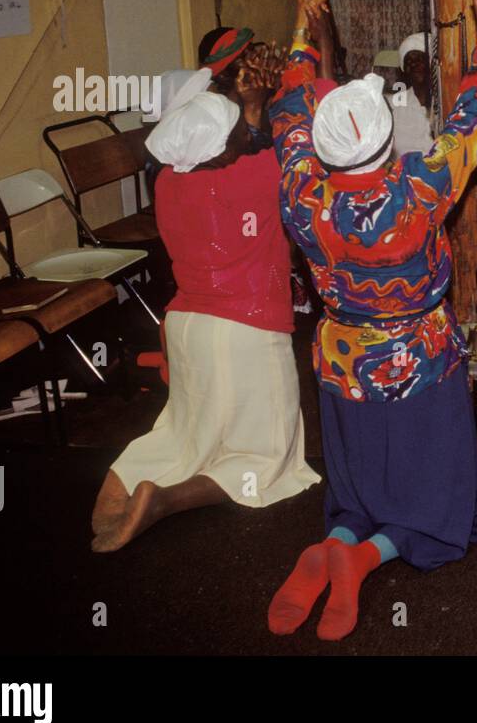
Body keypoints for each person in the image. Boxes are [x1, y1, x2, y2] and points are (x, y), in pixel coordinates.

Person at [266, 0, 477, 642]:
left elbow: (289, 107)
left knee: (357, 480)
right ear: (387, 143)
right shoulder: (419, 188)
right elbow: (476, 112)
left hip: (341, 360)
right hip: (418, 359)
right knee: (434, 486)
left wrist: (304, 36)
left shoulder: (300, 192)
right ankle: (364, 556)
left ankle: (339, 538)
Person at [90, 85, 320, 553]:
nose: (247, 137)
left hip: (186, 327)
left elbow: (247, 145)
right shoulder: (257, 175)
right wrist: (316, 42)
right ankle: (166, 501)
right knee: (266, 453)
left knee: (185, 430)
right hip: (245, 330)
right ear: (222, 145)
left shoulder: (169, 183)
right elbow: (304, 137)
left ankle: (126, 475)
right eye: (238, 132)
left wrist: (249, 115)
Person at [388, 32, 435, 157]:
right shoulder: (394, 104)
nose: (414, 64)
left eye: (420, 58)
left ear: (432, 65)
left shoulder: (445, 101)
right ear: (404, 69)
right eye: (408, 61)